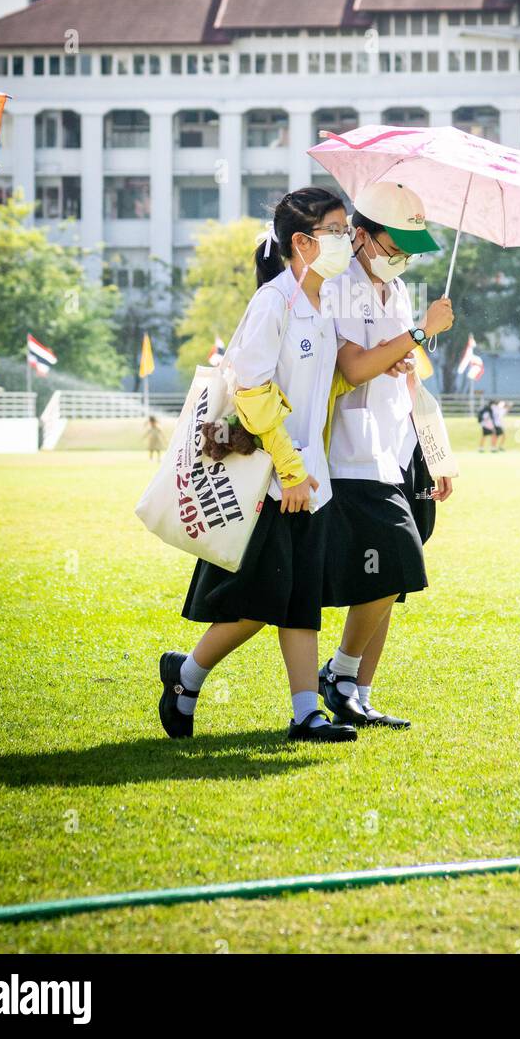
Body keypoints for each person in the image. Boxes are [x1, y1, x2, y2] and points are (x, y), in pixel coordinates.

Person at [158, 187, 360, 744]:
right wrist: (289, 469)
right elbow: (251, 389)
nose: (349, 240)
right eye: (338, 230)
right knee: (261, 600)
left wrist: (368, 372)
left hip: (307, 479)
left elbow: (315, 387)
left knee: (298, 601)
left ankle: (304, 714)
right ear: (302, 241)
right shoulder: (274, 302)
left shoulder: (324, 303)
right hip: (272, 481)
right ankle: (187, 675)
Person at [318, 181, 455, 729]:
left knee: (390, 578)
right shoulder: (341, 285)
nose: (399, 256)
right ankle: (339, 674)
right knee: (399, 560)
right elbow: (351, 368)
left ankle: (359, 692)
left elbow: (391, 362)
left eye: (407, 249)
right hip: (350, 450)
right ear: (362, 234)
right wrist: (421, 332)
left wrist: (433, 450)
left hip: (395, 445)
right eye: (392, 244)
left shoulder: (392, 290)